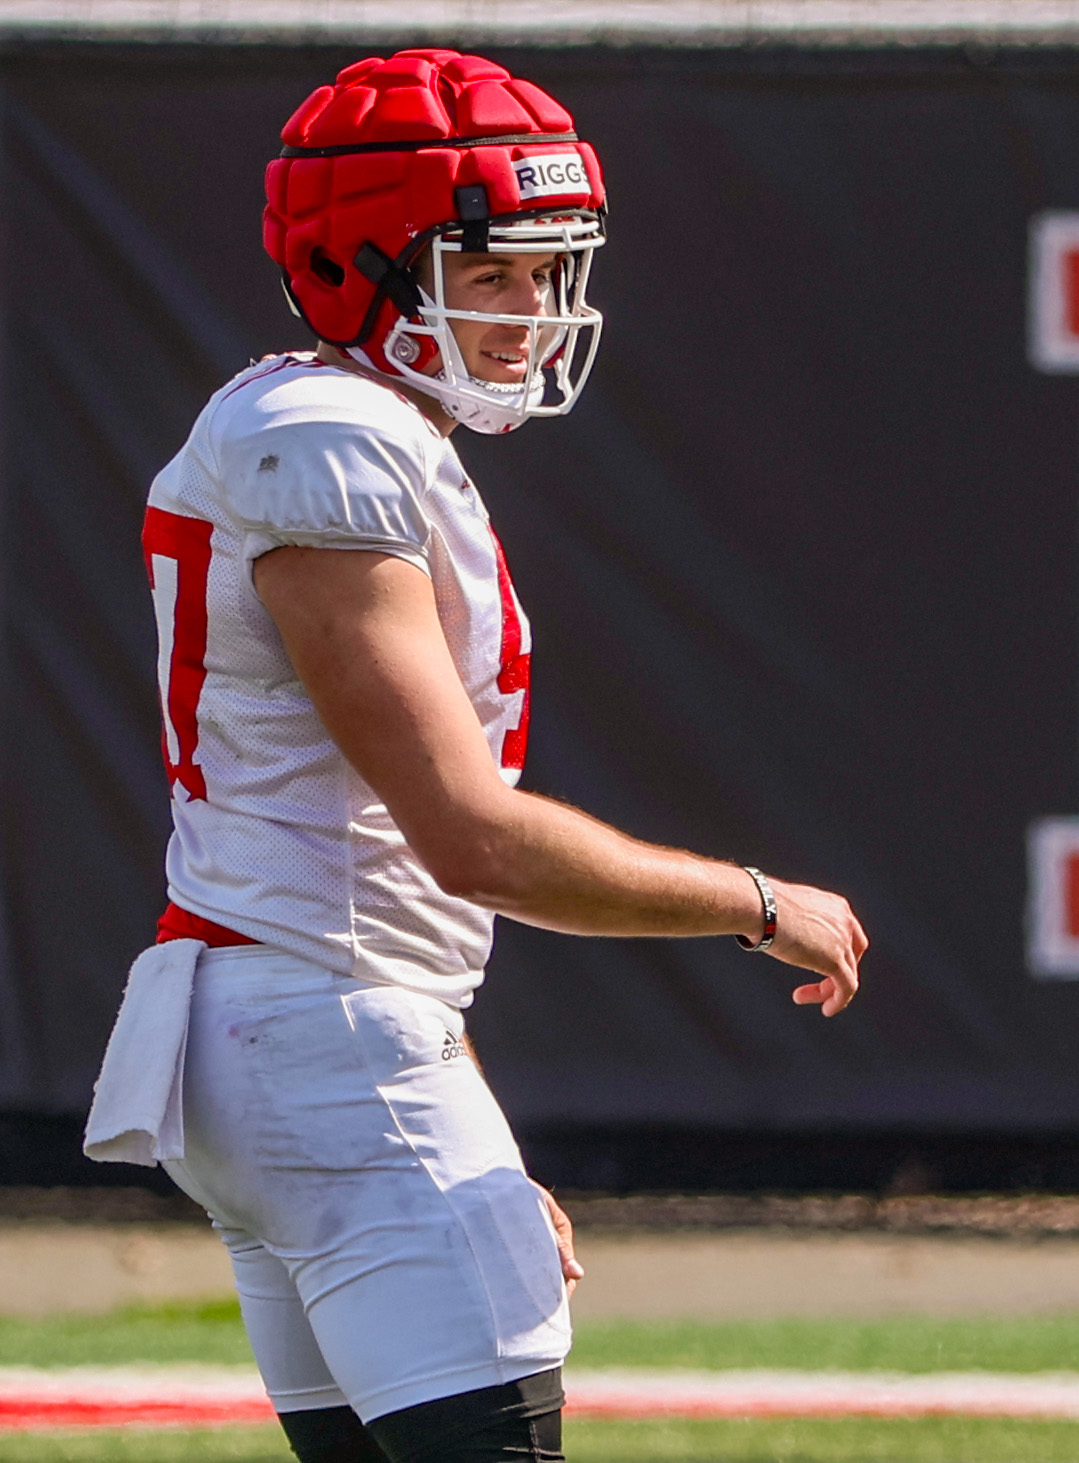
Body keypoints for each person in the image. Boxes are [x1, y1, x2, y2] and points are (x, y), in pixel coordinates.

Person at [85, 48, 867, 1463]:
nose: (529, 314)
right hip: (319, 1038)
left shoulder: (326, 424)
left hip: (292, 1031)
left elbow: (389, 867)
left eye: (548, 270)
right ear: (353, 260)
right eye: (489, 270)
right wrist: (754, 903)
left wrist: (451, 1121)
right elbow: (470, 836)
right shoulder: (324, 438)